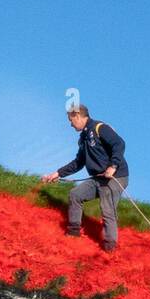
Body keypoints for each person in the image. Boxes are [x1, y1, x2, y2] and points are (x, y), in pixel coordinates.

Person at [41, 104, 129, 252]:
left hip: (116, 177)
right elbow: (78, 162)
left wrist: (113, 166)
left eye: (71, 120)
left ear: (78, 116)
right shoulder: (83, 138)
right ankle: (73, 231)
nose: (70, 124)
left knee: (107, 209)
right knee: (76, 194)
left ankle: (109, 247)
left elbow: (119, 144)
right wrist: (58, 173)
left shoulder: (100, 127)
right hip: (98, 178)